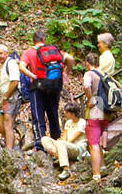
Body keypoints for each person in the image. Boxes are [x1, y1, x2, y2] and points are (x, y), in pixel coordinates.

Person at [19, 27, 74, 151]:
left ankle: (40, 145)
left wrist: (33, 76)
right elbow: (70, 59)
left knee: (38, 115)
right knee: (53, 113)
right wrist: (65, 74)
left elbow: (21, 67)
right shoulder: (53, 51)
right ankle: (56, 142)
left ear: (33, 41)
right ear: (44, 39)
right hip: (53, 85)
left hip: (37, 86)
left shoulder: (29, 52)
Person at [41, 102, 87, 179]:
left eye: (66, 112)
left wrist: (60, 143)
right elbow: (64, 137)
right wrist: (60, 142)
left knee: (61, 143)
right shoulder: (68, 123)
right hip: (65, 146)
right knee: (44, 139)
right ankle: (59, 156)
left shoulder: (82, 122)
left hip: (77, 148)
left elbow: (72, 139)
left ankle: (66, 169)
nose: (65, 113)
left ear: (72, 113)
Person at [0, 43, 23, 151]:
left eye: (1, 53)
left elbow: (15, 82)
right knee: (1, 126)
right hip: (5, 98)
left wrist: (6, 97)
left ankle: (9, 151)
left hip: (12, 98)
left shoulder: (11, 63)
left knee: (7, 124)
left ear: (6, 53)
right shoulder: (4, 64)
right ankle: (12, 147)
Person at [83, 51, 107, 184]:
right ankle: (103, 166)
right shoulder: (104, 73)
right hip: (106, 109)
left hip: (96, 108)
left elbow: (86, 86)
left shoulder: (89, 74)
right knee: (98, 139)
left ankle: (96, 174)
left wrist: (90, 98)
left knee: (93, 143)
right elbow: (120, 88)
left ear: (88, 63)